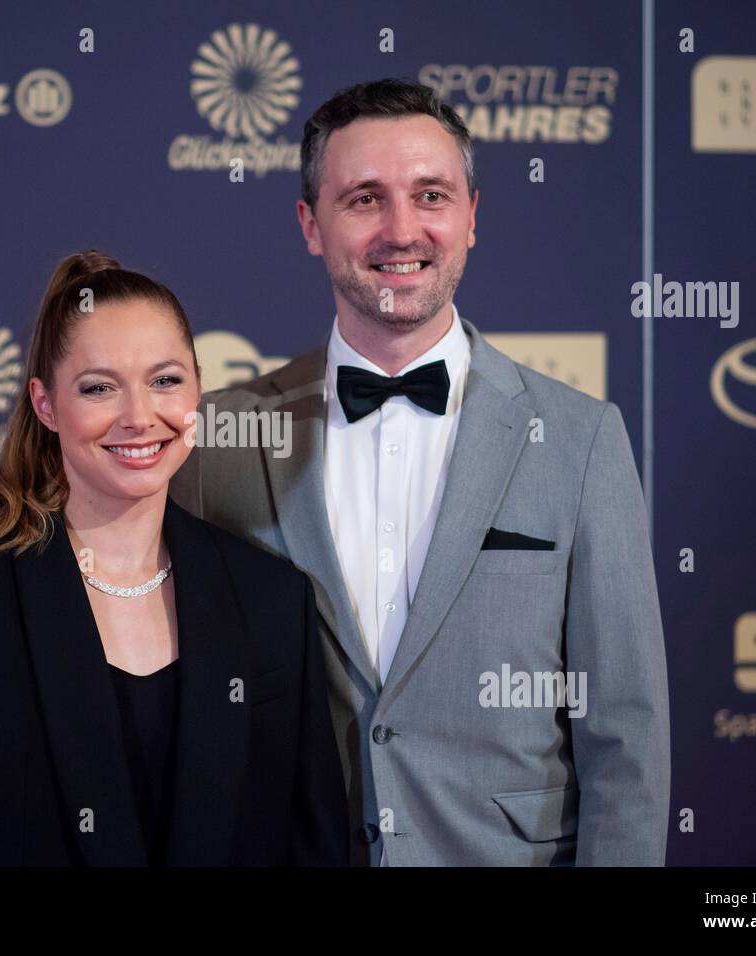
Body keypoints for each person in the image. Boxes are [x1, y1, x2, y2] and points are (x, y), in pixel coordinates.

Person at [170, 78, 671, 866]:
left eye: (430, 195)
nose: (401, 230)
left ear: (472, 215)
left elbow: (625, 734)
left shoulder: (581, 440)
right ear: (311, 223)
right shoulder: (218, 440)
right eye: (364, 199)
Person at [0, 251, 348, 865]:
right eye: (99, 388)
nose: (138, 417)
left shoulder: (273, 600)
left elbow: (312, 849)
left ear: (199, 390)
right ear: (46, 405)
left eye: (165, 380)